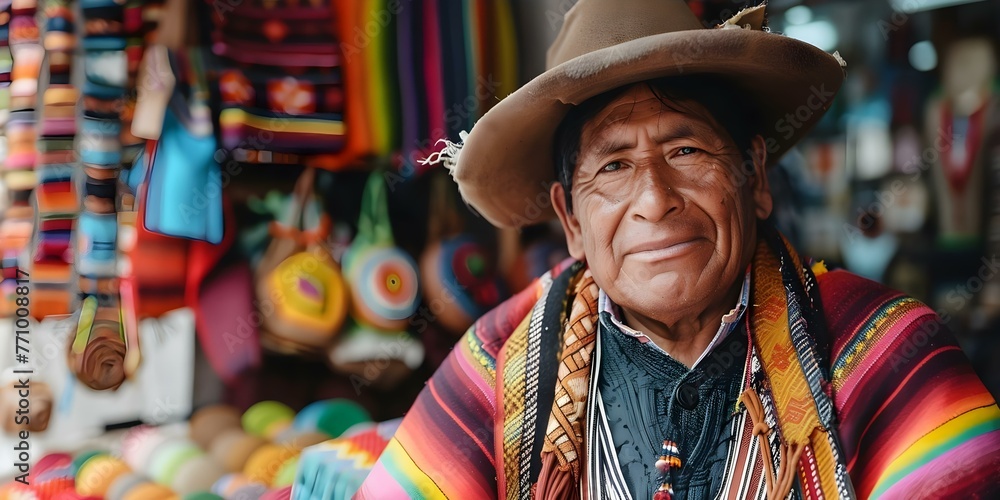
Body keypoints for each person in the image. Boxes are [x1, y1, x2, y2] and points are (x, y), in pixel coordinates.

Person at [356, 0, 1000, 498]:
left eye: (686, 150)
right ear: (570, 220)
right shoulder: (501, 364)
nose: (655, 199)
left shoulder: (884, 351)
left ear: (755, 176)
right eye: (612, 167)